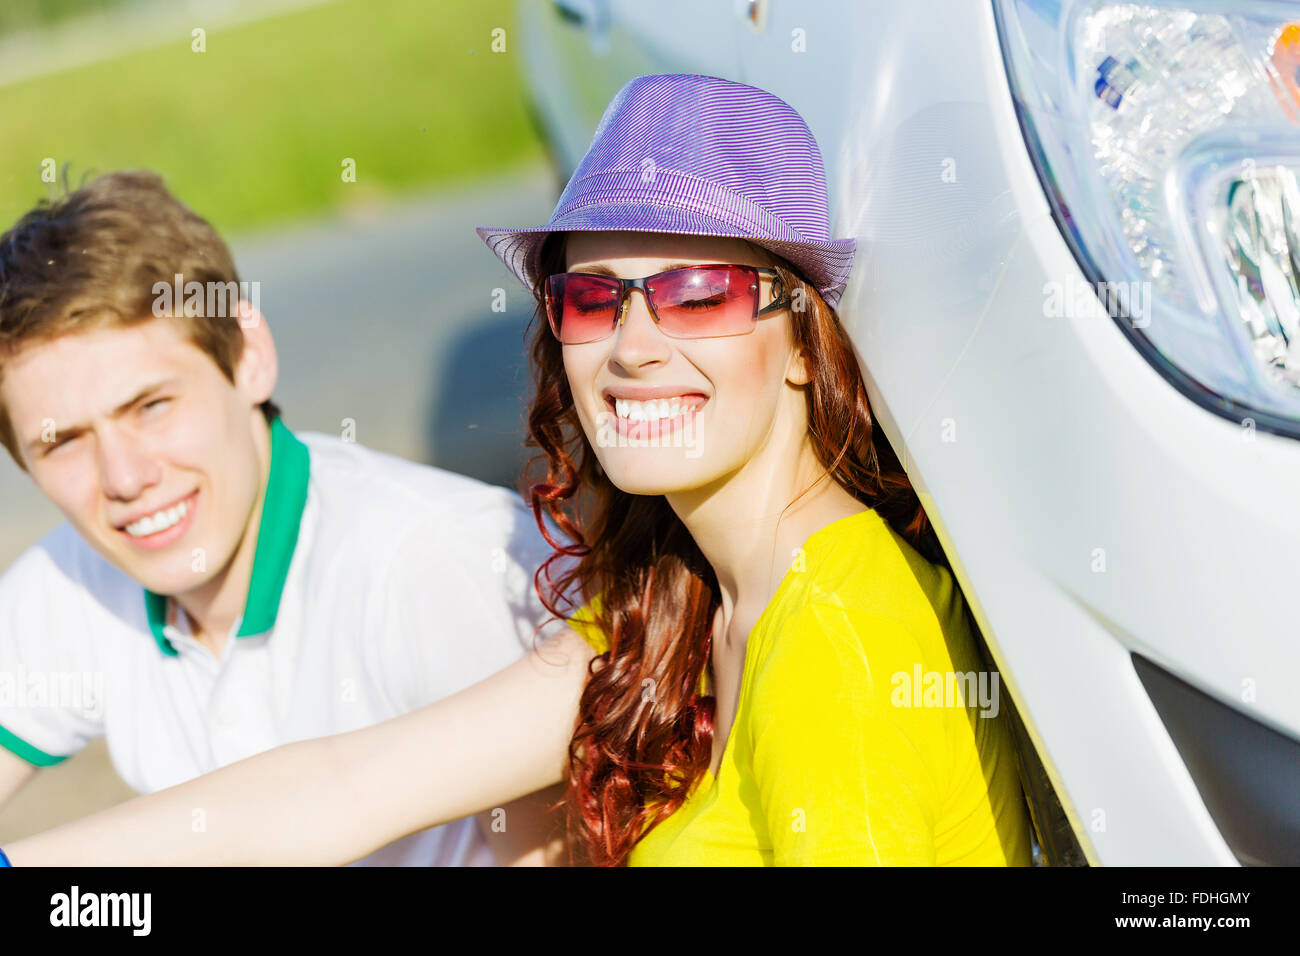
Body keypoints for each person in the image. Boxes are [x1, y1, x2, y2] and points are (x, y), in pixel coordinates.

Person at [1, 74, 1033, 867]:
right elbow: (345, 783)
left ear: (804, 340)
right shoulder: (674, 602)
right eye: (592, 298)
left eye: (698, 292)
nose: (633, 345)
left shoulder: (841, 639)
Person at [0, 170, 564, 866]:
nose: (125, 478)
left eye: (151, 407)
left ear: (249, 357)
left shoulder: (436, 563)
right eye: (64, 441)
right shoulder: (66, 584)